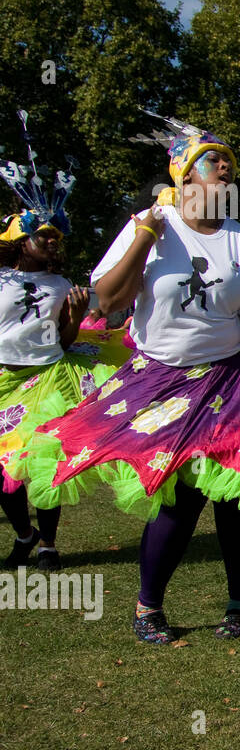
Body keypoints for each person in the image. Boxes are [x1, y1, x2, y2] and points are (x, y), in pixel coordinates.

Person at [23, 121, 240, 643]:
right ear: (183, 176)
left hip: (231, 379)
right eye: (213, 161)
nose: (226, 169)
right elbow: (110, 304)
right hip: (161, 382)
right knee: (178, 501)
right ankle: (147, 607)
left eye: (229, 163)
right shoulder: (150, 226)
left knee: (236, 495)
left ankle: (239, 604)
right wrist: (145, 234)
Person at [0, 137, 120, 570]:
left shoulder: (62, 286)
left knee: (40, 467)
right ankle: (24, 534)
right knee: (3, 476)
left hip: (43, 380)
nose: (51, 242)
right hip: (2, 380)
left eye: (55, 236)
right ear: (20, 239)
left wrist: (71, 313)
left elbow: (63, 340)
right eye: (42, 235)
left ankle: (47, 544)